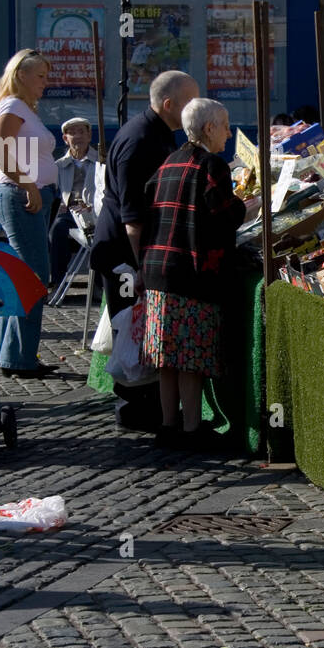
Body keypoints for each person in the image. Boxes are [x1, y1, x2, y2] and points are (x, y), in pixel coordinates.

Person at [91, 70, 199, 429]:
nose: (194, 108)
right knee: (130, 326)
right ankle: (134, 410)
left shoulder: (157, 132)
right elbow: (132, 218)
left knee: (138, 326)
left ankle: (145, 406)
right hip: (123, 250)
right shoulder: (140, 140)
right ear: (169, 105)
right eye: (189, 101)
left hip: (131, 246)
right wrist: (141, 268)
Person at [141, 98, 245, 450]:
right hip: (191, 270)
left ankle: (168, 425)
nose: (229, 133)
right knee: (189, 357)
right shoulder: (212, 165)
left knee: (166, 354)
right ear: (209, 128)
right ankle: (191, 429)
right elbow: (225, 214)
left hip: (158, 268)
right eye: (226, 125)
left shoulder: (168, 161)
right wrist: (248, 204)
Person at [0, 49, 59, 378]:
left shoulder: (24, 109)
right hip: (20, 196)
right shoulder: (14, 106)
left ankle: (13, 354)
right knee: (33, 276)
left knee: (24, 277)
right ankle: (19, 357)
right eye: (41, 76)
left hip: (28, 196)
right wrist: (29, 186)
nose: (46, 82)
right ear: (22, 76)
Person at [49, 117, 98, 287]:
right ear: (65, 138)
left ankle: (98, 285)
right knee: (57, 229)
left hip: (95, 212)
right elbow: (52, 191)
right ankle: (57, 281)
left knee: (104, 232)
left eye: (81, 132)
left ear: (89, 136)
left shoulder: (101, 162)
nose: (77, 136)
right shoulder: (58, 166)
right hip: (70, 213)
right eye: (72, 133)